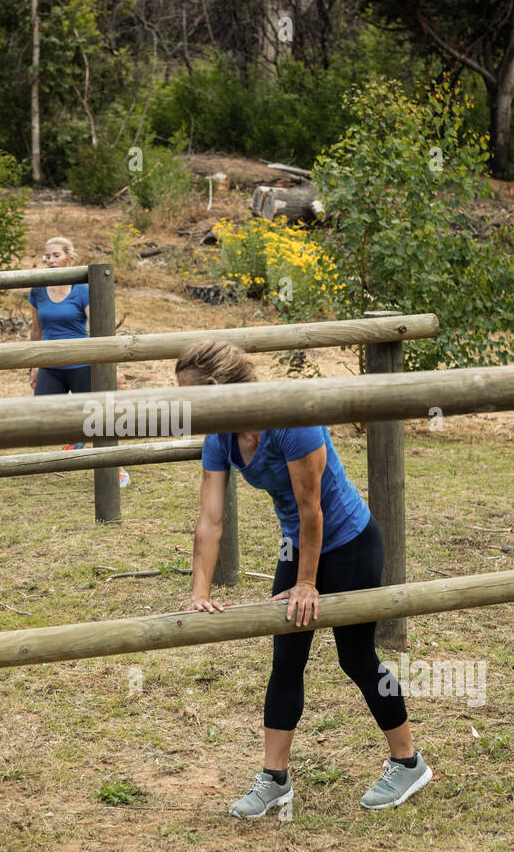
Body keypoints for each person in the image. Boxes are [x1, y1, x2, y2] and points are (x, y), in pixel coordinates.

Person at [176, 340, 431, 815]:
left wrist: (308, 584)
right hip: (298, 546)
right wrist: (200, 592)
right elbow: (210, 519)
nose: (187, 411)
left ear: (222, 391)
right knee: (287, 658)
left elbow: (312, 508)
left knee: (356, 658)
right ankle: (275, 779)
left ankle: (409, 762)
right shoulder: (219, 437)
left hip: (350, 541)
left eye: (192, 399)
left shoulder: (291, 418)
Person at [26, 236, 128, 484]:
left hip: (82, 363)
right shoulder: (38, 289)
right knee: (43, 415)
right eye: (47, 256)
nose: (50, 260)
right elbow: (36, 330)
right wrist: (34, 365)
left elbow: (98, 327)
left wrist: (105, 363)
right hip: (50, 365)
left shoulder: (82, 289)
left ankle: (116, 467)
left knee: (100, 419)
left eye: (56, 255)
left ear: (70, 259)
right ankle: (77, 438)